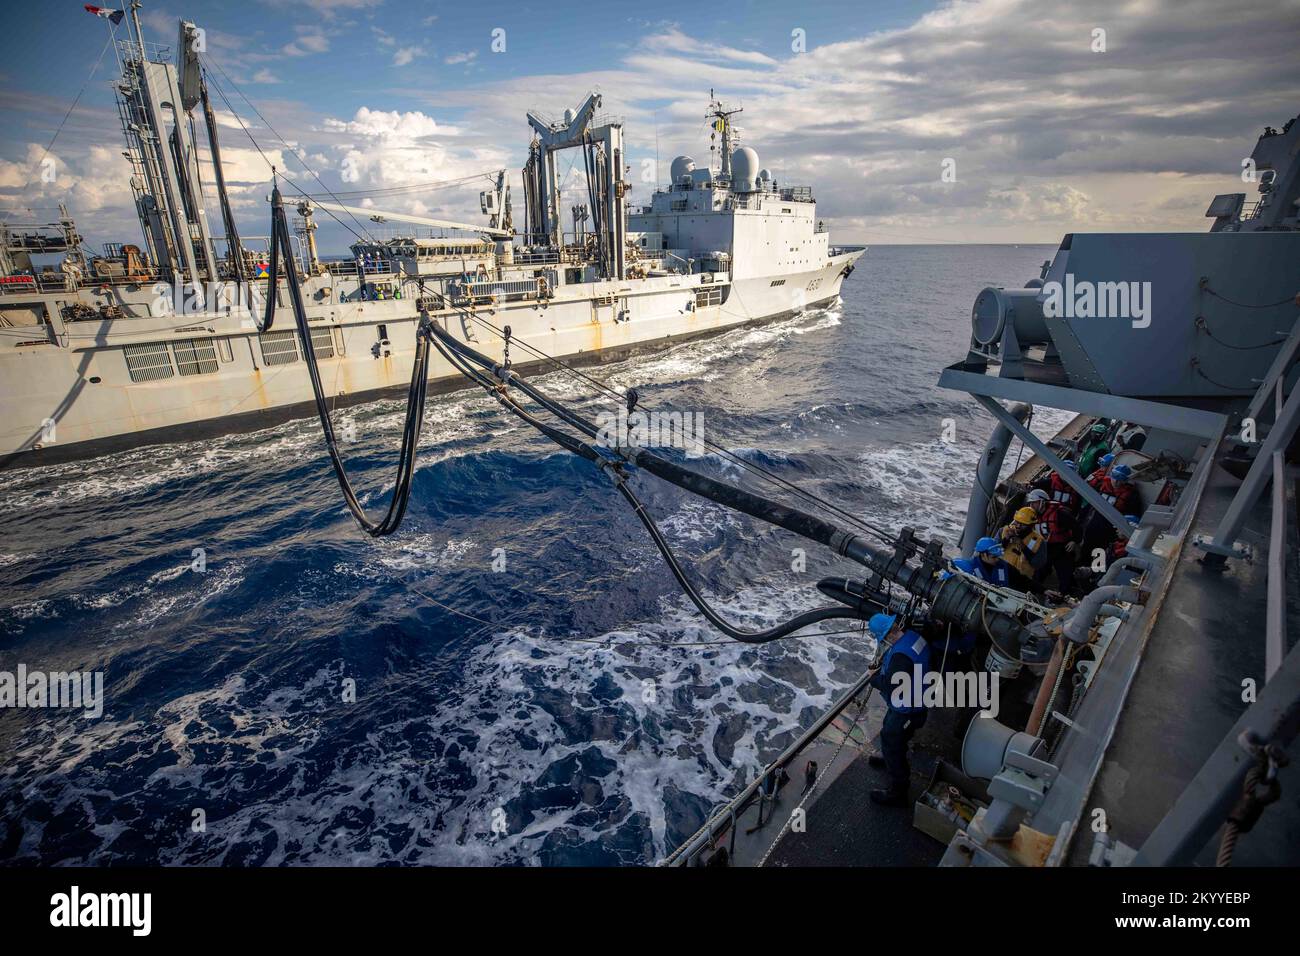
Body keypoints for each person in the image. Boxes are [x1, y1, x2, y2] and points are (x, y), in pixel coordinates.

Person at [867, 613, 934, 807]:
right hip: (918, 699)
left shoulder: (900, 657)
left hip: (908, 709)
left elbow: (891, 686)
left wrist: (873, 678)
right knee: (892, 734)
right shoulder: (914, 636)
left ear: (886, 636)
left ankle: (898, 791)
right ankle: (889, 759)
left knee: (892, 741)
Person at [997, 506, 1045, 592]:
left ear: (1032, 525)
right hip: (1000, 575)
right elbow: (990, 553)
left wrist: (1023, 547)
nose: (1018, 526)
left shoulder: (1039, 541)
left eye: (1022, 524)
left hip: (1022, 582)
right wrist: (1006, 540)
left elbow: (1038, 564)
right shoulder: (1003, 531)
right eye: (1017, 522)